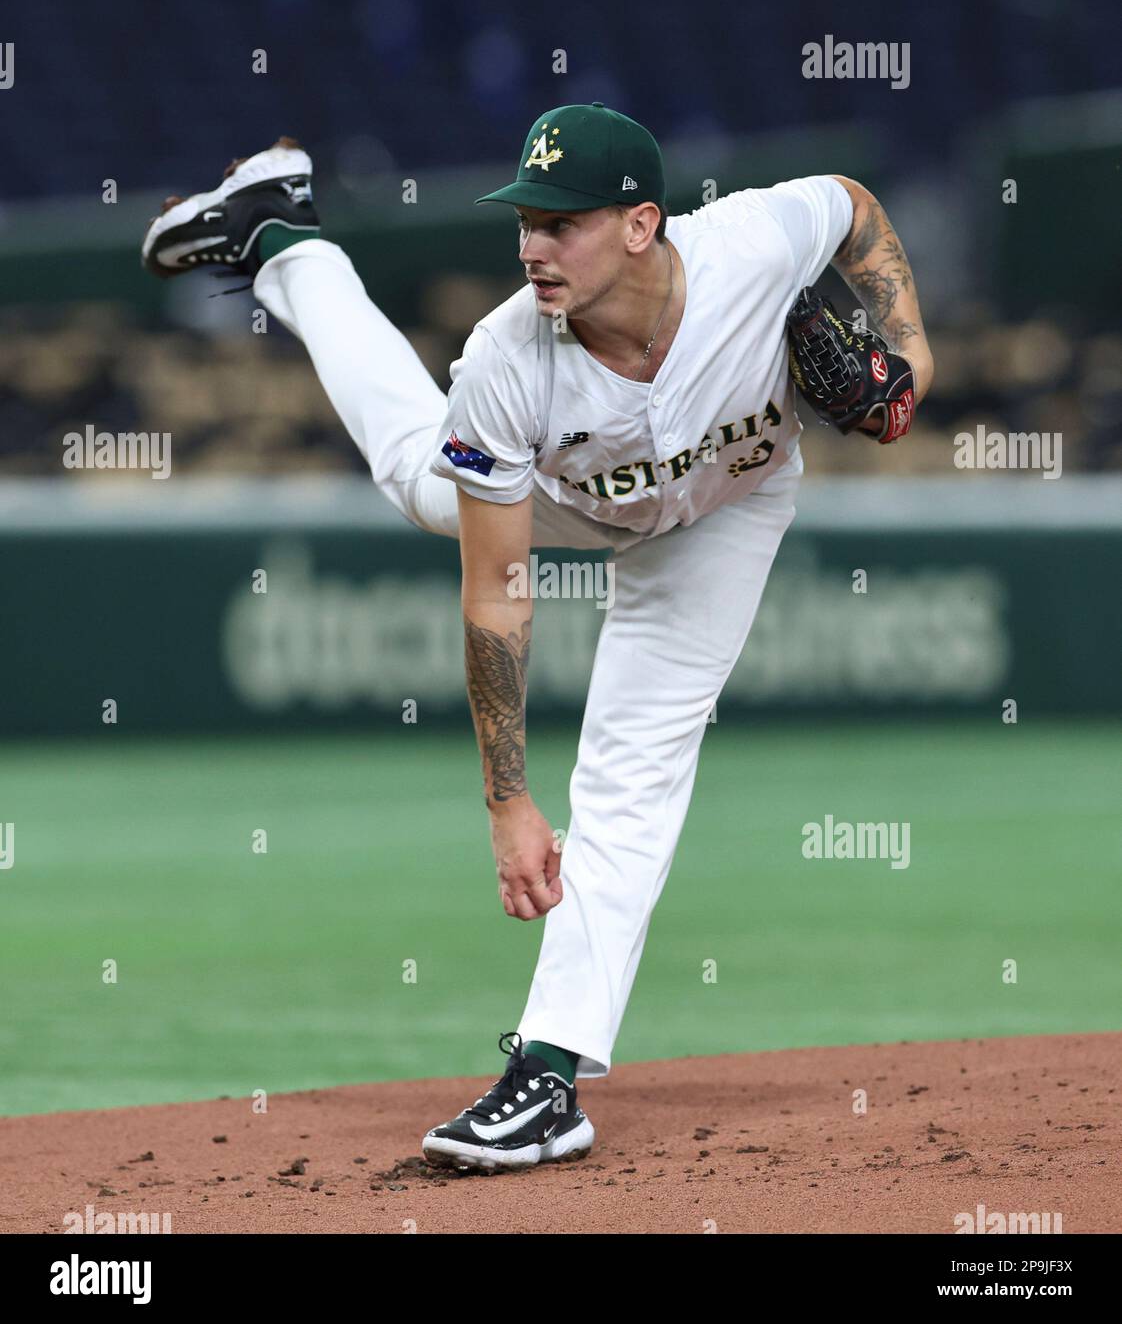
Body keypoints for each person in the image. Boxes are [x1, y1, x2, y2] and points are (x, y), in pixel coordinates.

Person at [142, 104, 934, 1172]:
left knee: (637, 762)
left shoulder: (753, 243)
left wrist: (911, 364)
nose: (531, 245)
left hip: (727, 505)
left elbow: (853, 205)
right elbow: (499, 595)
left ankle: (549, 1077)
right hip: (573, 499)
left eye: (561, 222)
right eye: (525, 218)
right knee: (426, 481)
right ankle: (283, 237)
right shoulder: (507, 358)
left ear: (644, 223)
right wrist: (508, 799)